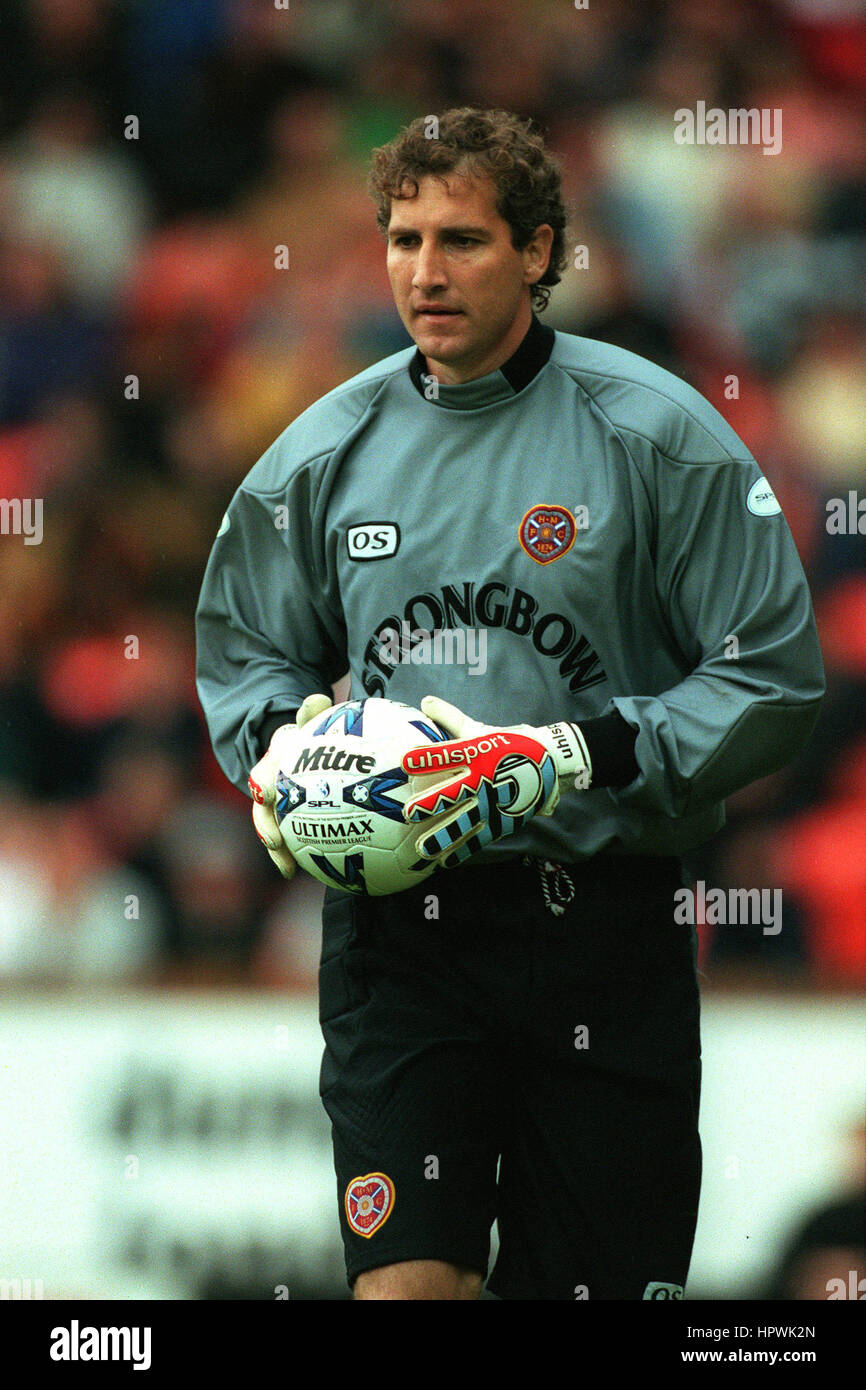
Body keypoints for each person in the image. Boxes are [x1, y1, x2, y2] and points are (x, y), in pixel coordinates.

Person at [196, 107, 825, 1300]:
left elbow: (772, 678)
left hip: (600, 928)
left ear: (539, 252)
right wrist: (280, 762)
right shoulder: (319, 453)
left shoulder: (658, 437)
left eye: (462, 240)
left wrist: (563, 759)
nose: (424, 272)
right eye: (401, 238)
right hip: (399, 940)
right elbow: (247, 657)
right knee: (405, 1290)